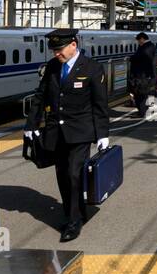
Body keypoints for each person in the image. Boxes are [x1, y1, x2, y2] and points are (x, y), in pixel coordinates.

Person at [24, 29, 110, 242]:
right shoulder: (53, 68)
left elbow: (100, 104)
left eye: (59, 49)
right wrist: (31, 124)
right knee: (63, 175)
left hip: (80, 131)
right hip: (55, 132)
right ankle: (76, 212)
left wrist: (102, 134)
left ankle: (73, 222)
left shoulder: (92, 68)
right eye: (54, 50)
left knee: (74, 174)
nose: (56, 54)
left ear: (73, 44)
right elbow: (40, 96)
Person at [128, 31, 157, 117]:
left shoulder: (145, 48)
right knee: (144, 94)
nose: (138, 42)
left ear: (142, 39)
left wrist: (132, 58)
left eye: (138, 40)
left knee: (140, 94)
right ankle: (145, 110)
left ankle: (142, 112)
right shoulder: (150, 46)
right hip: (146, 75)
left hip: (142, 75)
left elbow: (140, 58)